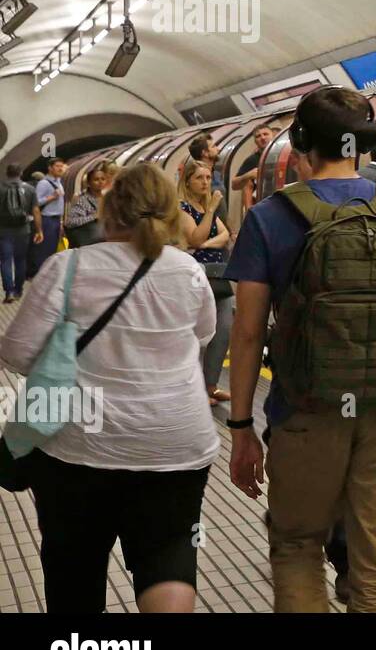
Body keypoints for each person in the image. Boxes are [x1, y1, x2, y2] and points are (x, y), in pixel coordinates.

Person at [224, 87, 376, 613]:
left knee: (297, 546)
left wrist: (240, 430)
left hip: (304, 411)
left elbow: (248, 333)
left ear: (300, 141)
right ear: (362, 144)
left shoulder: (269, 217)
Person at [0, 163, 218, 614]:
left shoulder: (68, 267)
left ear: (108, 211)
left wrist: (69, 355)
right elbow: (202, 337)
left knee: (74, 567)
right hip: (176, 445)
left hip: (78, 451)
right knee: (168, 554)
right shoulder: (189, 271)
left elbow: (17, 352)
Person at [178, 158, 233, 407]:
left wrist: (205, 243)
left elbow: (225, 236)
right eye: (200, 178)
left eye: (209, 177)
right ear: (187, 181)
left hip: (218, 275)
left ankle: (211, 384)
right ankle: (193, 387)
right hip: (195, 277)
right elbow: (194, 236)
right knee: (198, 333)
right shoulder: (183, 209)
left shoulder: (202, 210)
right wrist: (211, 210)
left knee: (223, 329)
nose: (206, 182)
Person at [0, 164, 40, 303]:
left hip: (3, 230)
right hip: (23, 229)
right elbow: (35, 211)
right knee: (20, 260)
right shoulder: (29, 189)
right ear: (21, 172)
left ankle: (9, 291)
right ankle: (18, 291)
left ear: (7, 173)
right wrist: (39, 230)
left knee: (5, 261)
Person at [30, 158, 67, 275]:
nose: (60, 168)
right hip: (47, 220)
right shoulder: (44, 183)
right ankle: (39, 274)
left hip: (56, 220)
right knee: (44, 249)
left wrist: (61, 222)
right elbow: (36, 202)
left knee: (53, 249)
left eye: (62, 166)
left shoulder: (59, 182)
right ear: (50, 168)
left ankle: (48, 273)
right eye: (57, 166)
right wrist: (51, 197)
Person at [64, 164, 109, 248]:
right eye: (96, 179)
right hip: (90, 244)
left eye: (103, 179)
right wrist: (94, 217)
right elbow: (70, 222)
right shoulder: (83, 200)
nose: (100, 182)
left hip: (105, 242)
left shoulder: (108, 199)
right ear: (88, 183)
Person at [230, 124, 276, 202]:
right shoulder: (252, 160)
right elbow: (234, 185)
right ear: (255, 141)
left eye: (265, 134)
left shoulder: (282, 154)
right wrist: (248, 175)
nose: (263, 138)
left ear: (273, 136)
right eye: (258, 136)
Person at [189, 134, 227, 223]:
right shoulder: (194, 177)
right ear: (204, 153)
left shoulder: (216, 174)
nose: (218, 149)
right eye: (213, 146)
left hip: (222, 227)